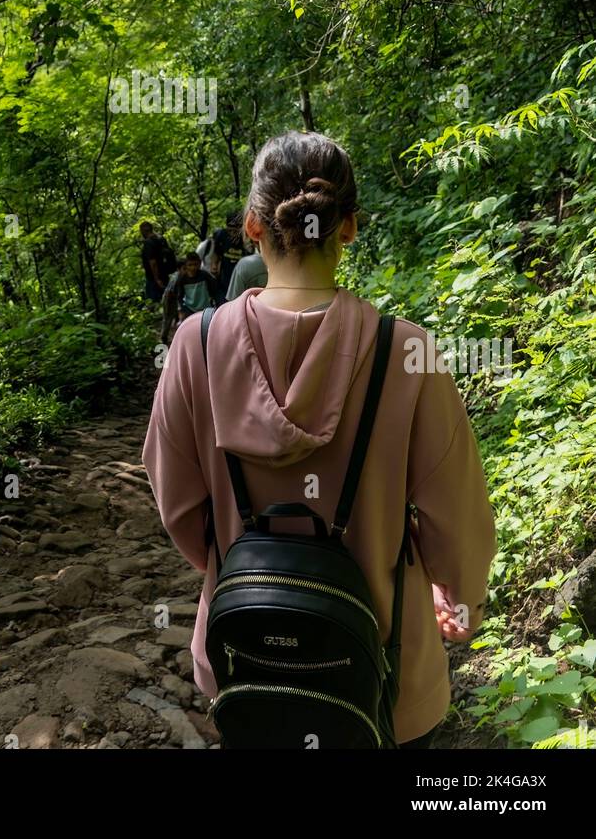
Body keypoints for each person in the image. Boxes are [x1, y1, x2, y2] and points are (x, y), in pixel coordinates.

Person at [142, 129, 496, 748]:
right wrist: (458, 597)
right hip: (383, 669)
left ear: (252, 227)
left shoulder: (194, 348)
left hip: (246, 655)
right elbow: (458, 517)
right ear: (349, 228)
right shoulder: (405, 353)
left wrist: (245, 564)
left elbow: (177, 506)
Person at [208, 210, 248, 302]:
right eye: (230, 228)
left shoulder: (247, 237)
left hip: (241, 277)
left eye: (236, 228)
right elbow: (216, 252)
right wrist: (214, 264)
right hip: (224, 276)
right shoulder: (221, 235)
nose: (233, 231)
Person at [139, 221, 177, 303]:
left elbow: (153, 263)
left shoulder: (148, 243)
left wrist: (157, 279)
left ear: (143, 231)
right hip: (165, 275)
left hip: (154, 279)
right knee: (167, 300)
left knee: (154, 302)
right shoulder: (162, 239)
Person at [173, 252, 216, 322]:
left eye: (195, 264)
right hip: (190, 309)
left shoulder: (204, 276)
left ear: (199, 264)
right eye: (190, 265)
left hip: (205, 308)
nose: (193, 268)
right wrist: (182, 310)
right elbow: (179, 296)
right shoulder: (182, 279)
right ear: (186, 265)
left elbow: (213, 290)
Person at [160, 259, 187, 344]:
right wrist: (169, 304)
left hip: (173, 298)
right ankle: (163, 337)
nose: (186, 271)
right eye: (184, 268)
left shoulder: (179, 276)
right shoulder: (176, 277)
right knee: (167, 317)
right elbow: (170, 292)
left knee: (173, 317)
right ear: (179, 269)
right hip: (169, 299)